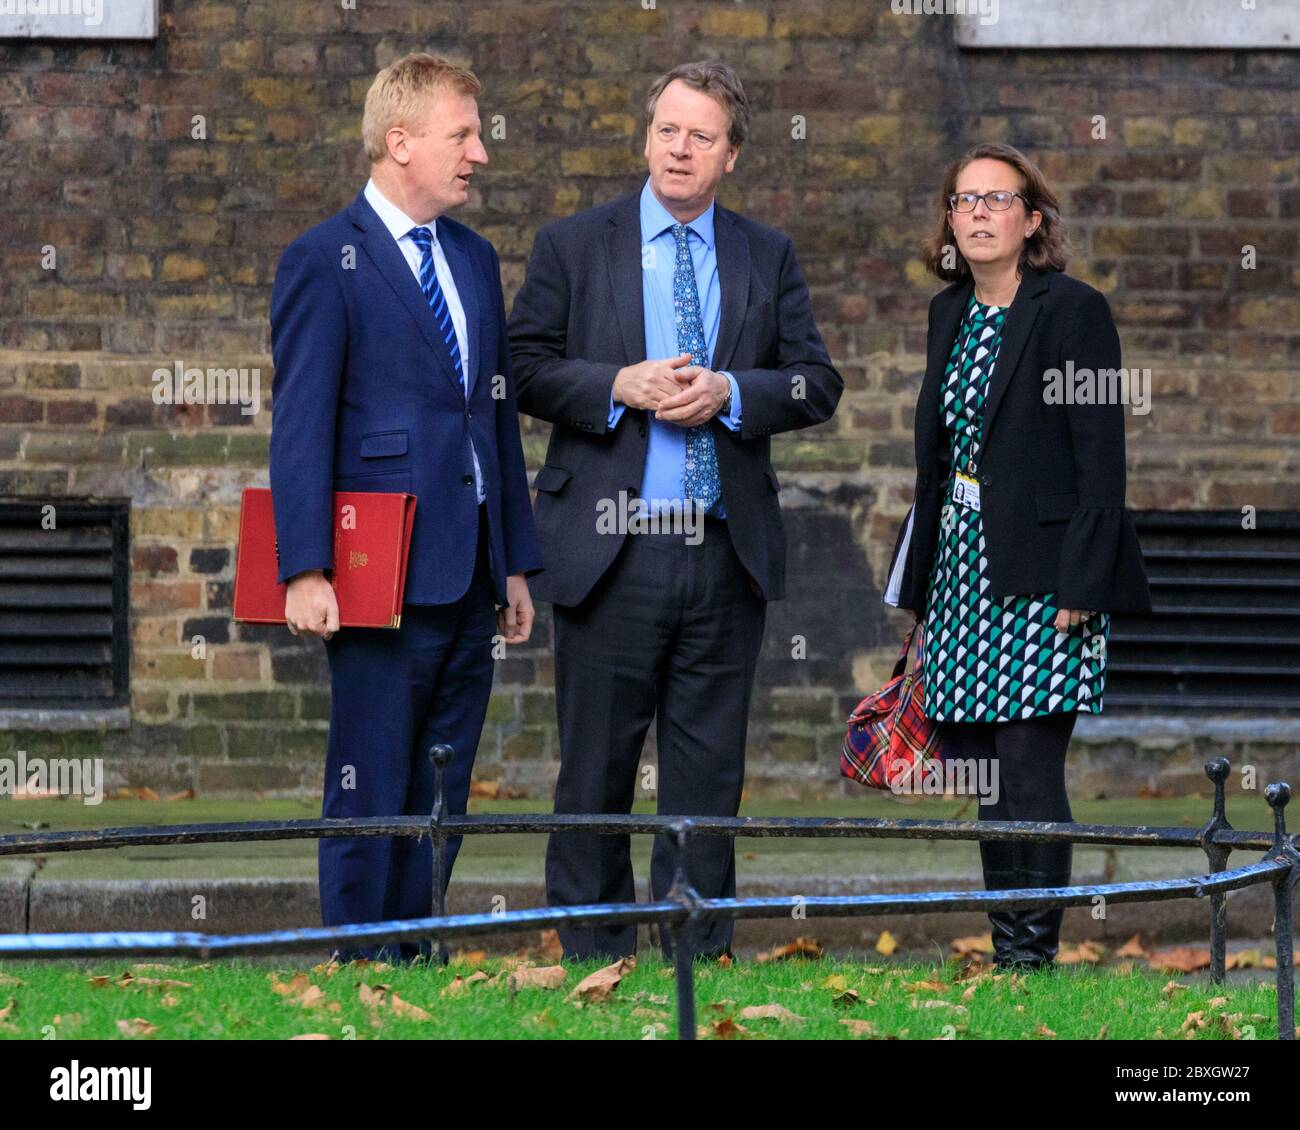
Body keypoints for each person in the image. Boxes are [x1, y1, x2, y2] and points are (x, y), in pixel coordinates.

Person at [508, 59, 843, 962]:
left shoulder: (765, 253)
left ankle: (697, 955)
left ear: (732, 154)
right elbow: (523, 367)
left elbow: (817, 382)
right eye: (667, 129)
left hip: (722, 552)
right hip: (609, 547)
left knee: (705, 778)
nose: (679, 149)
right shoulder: (575, 245)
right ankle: (593, 955)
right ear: (645, 136)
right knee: (594, 774)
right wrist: (617, 383)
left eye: (701, 135)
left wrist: (734, 391)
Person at [268, 53, 542, 964]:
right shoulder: (322, 259)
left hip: (470, 571)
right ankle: (357, 955)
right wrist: (303, 566)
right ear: (400, 142)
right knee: (369, 777)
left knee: (444, 779)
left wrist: (515, 561)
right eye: (462, 135)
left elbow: (492, 416)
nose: (479, 154)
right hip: (375, 574)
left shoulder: (473, 258)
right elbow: (300, 423)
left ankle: (416, 947)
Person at [884, 142, 1151, 971]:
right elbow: (936, 461)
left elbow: (1099, 454)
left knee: (1030, 773)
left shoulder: (1072, 310)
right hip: (961, 568)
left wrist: (1085, 578)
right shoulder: (947, 314)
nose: (977, 214)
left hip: (1044, 573)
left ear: (1033, 220)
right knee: (975, 773)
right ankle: (1008, 943)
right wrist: (922, 589)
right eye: (964, 202)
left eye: (998, 200)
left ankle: (1031, 956)